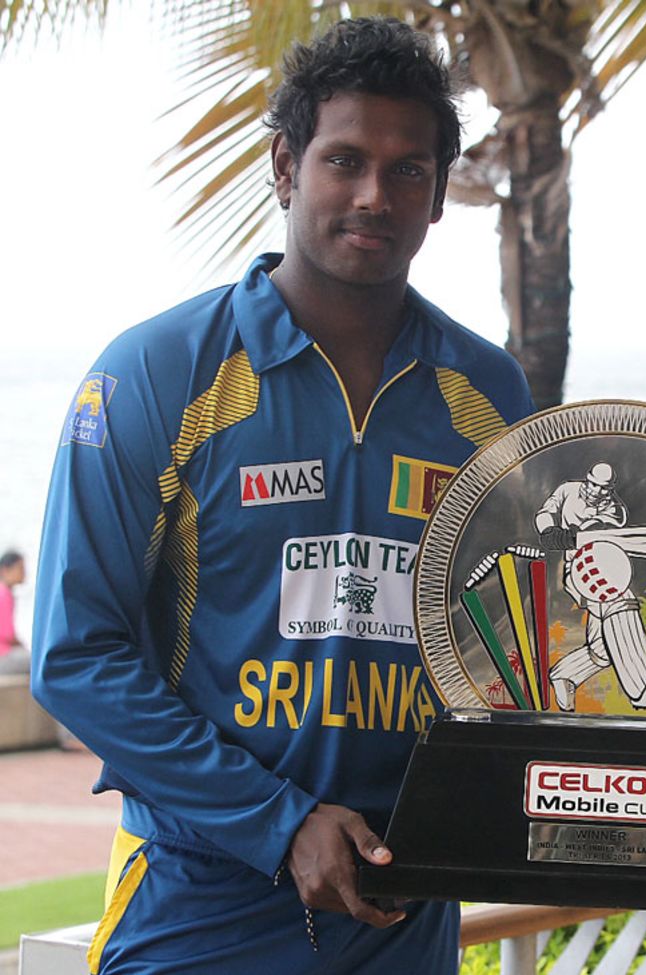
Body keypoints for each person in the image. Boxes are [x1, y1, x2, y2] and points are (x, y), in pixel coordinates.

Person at [32, 18, 533, 975]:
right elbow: (75, 654)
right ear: (284, 166)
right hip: (197, 899)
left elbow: (511, 651)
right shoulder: (155, 374)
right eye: (344, 160)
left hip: (403, 905)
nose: (373, 195)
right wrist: (280, 820)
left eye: (409, 169)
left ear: (438, 197)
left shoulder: (489, 397)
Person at [535, 463, 646, 710]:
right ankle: (644, 687)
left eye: (602, 488)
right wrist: (549, 530)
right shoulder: (568, 489)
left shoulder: (615, 509)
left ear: (610, 489)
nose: (595, 491)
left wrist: (573, 536)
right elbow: (546, 512)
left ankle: (566, 674)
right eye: (592, 483)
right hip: (578, 569)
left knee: (603, 645)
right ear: (586, 479)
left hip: (603, 562)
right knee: (619, 599)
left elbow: (598, 532)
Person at [0, 550, 29, 674]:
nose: (24, 573)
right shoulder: (4, 594)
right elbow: (7, 634)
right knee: (40, 662)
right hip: (3, 655)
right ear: (5, 570)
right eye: (20, 568)